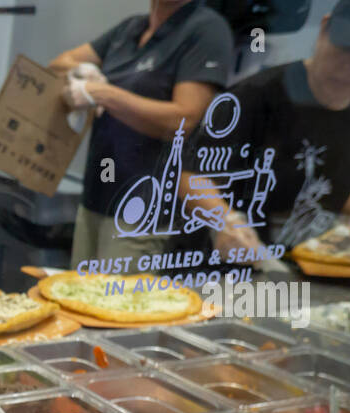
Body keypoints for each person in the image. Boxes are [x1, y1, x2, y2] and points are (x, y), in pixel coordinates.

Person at [184, 0, 350, 257]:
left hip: (304, 264)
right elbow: (190, 174)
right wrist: (224, 221)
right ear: (325, 29)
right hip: (220, 268)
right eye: (347, 47)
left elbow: (333, 176)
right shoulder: (255, 96)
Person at [48, 0, 232, 268]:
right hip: (95, 198)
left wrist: (106, 94)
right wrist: (83, 72)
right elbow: (58, 64)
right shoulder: (131, 29)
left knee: (117, 307)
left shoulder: (206, 30)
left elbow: (184, 119)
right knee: (75, 299)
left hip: (141, 212)